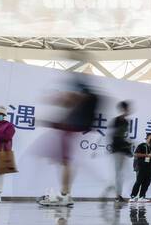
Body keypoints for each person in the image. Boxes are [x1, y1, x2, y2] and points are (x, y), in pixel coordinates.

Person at [38, 70, 99, 207]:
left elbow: (68, 100)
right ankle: (66, 194)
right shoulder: (84, 105)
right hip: (73, 130)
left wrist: (49, 116)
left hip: (72, 131)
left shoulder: (82, 102)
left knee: (66, 162)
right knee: (66, 163)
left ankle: (65, 194)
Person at [107, 101, 133, 202]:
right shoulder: (116, 121)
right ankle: (118, 195)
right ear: (122, 109)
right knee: (119, 172)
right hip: (117, 149)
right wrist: (125, 144)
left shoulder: (126, 122)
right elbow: (114, 136)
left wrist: (127, 146)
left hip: (122, 150)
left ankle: (118, 194)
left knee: (121, 173)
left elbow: (123, 136)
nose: (128, 111)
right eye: (126, 109)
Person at [131, 132, 151, 203]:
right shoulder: (142, 145)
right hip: (141, 166)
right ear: (147, 138)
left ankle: (142, 196)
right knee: (139, 181)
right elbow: (136, 154)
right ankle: (133, 196)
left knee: (147, 182)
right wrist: (147, 155)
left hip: (150, 167)